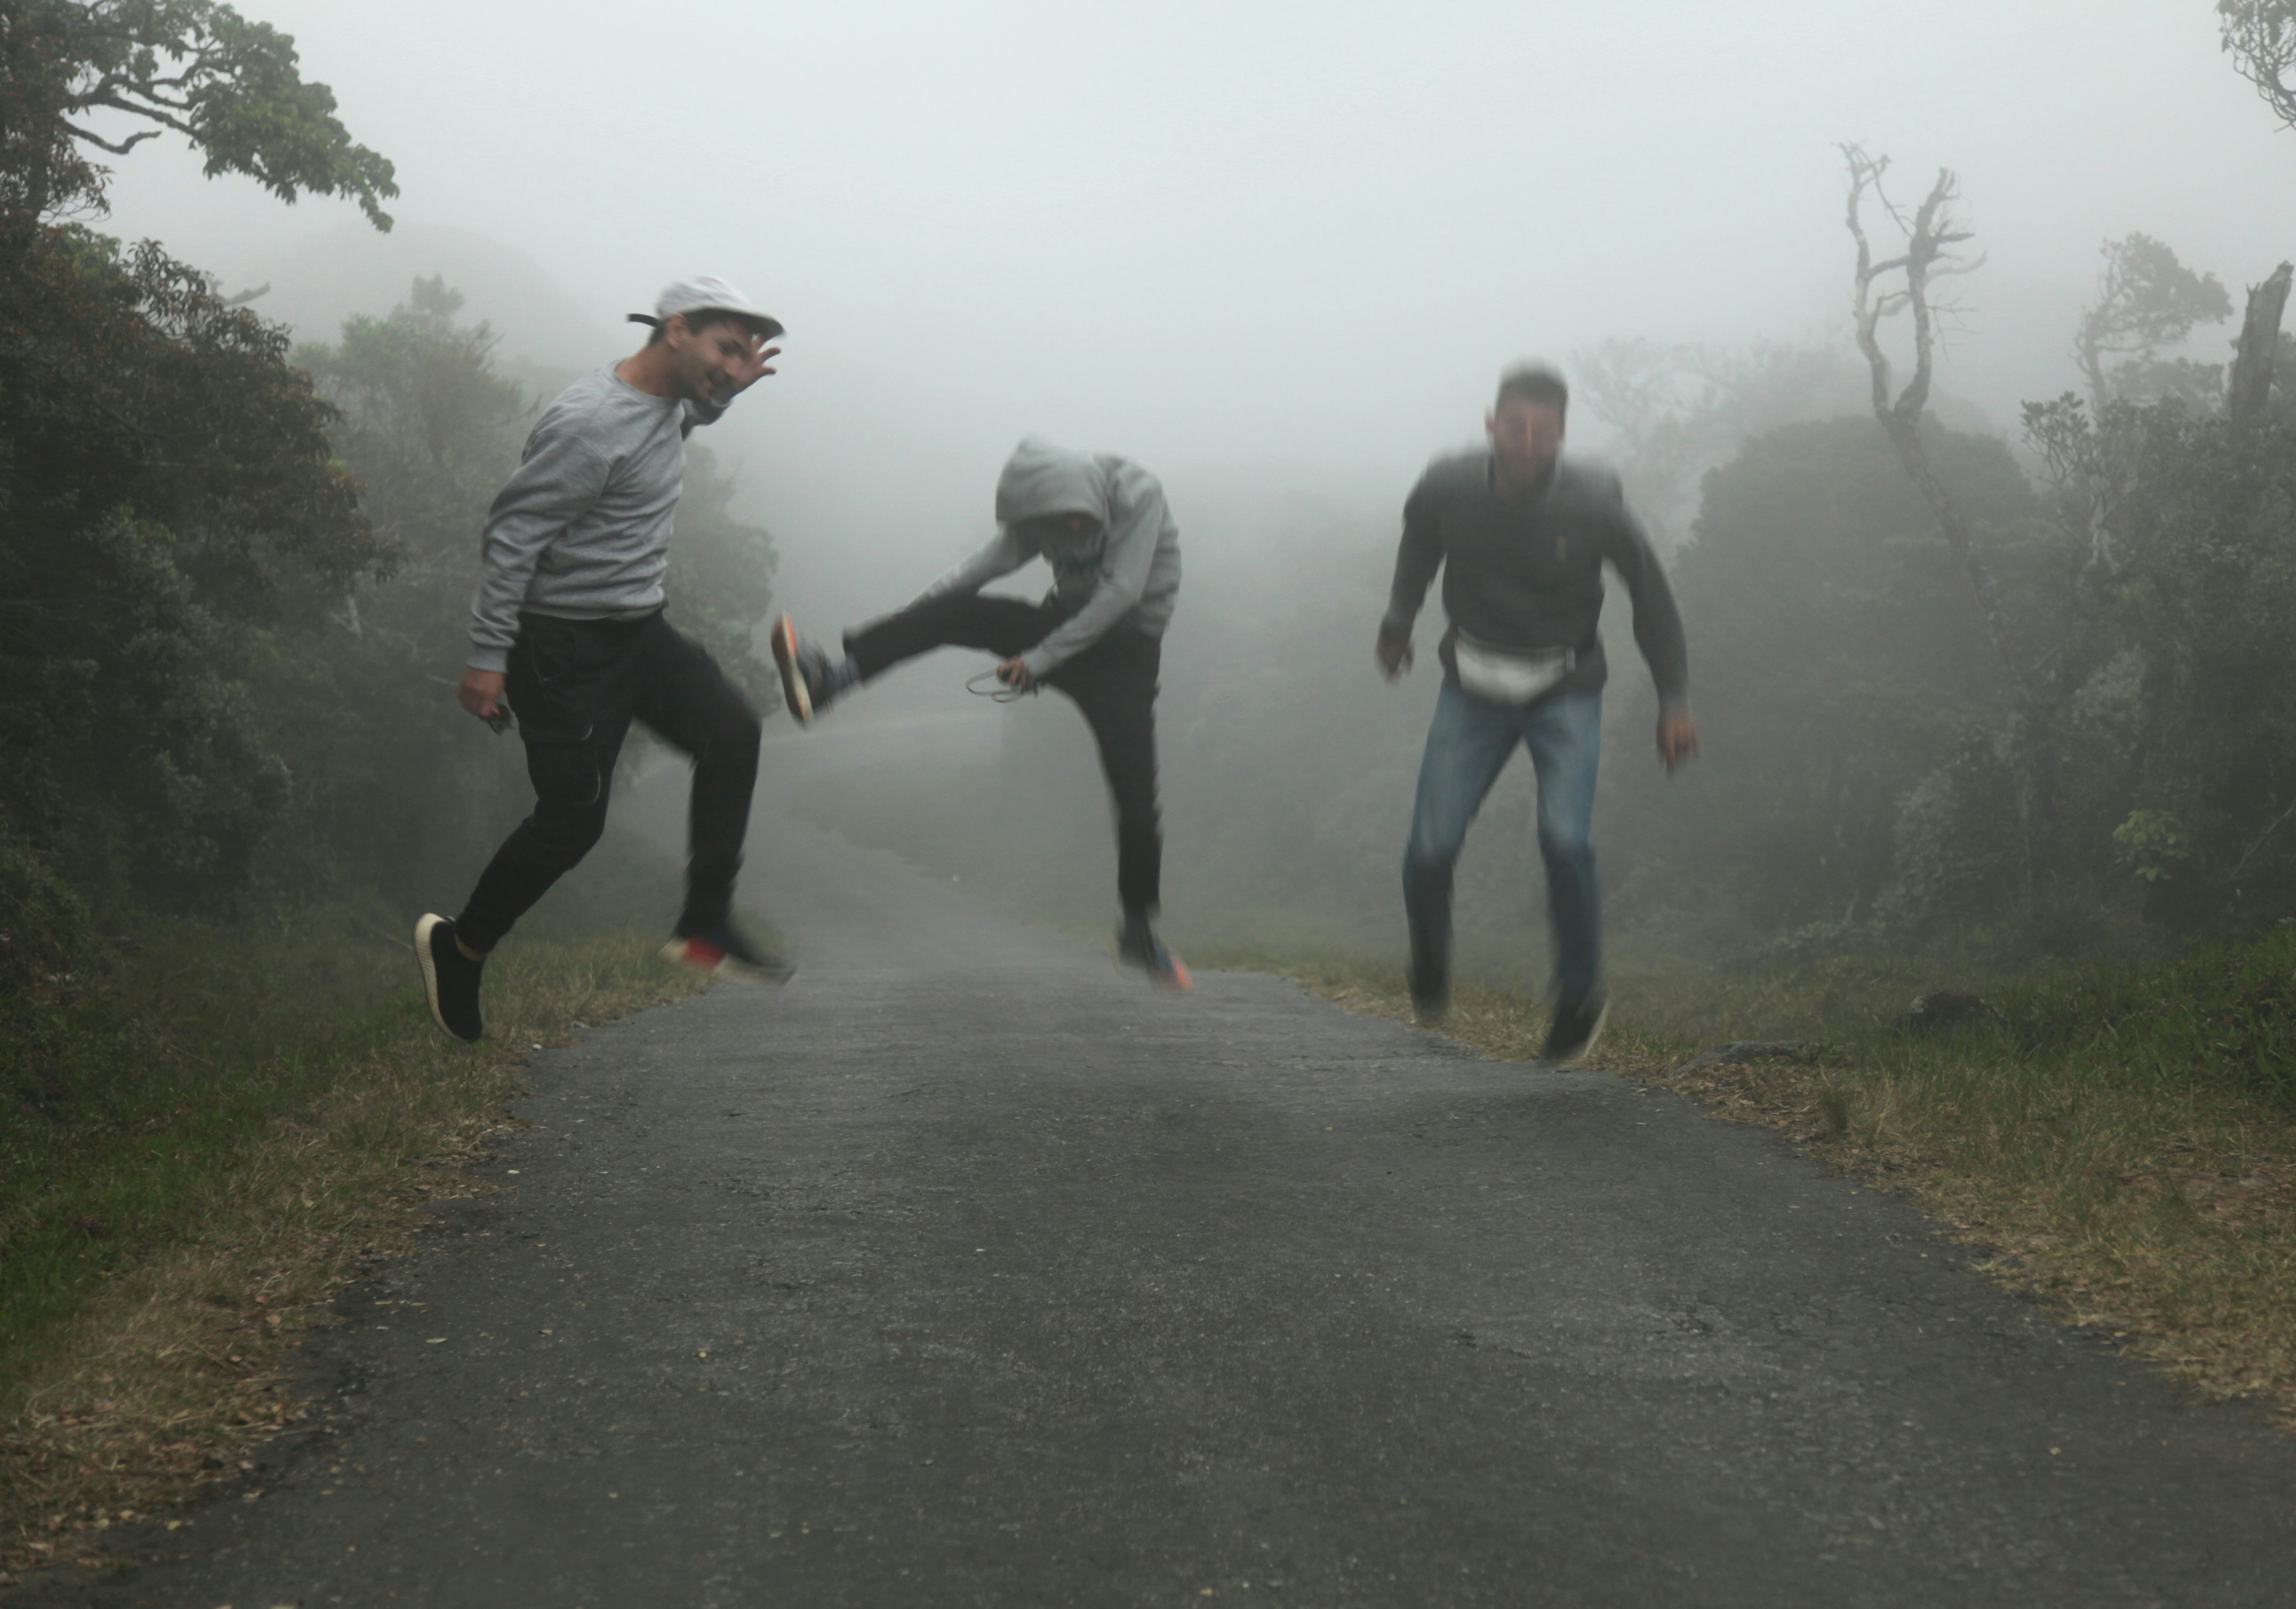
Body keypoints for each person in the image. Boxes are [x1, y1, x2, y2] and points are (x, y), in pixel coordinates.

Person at [416, 276, 787, 1044]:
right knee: (572, 824)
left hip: (637, 631)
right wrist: (488, 658)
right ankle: (461, 946)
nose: (732, 365)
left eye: (744, 355)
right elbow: (513, 537)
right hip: (562, 647)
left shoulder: (666, 404)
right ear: (675, 330)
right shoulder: (591, 422)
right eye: (725, 348)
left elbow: (680, 421)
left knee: (733, 734)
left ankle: (706, 922)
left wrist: (724, 396)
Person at [771, 435, 1190, 991]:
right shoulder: (1033, 524)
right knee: (957, 611)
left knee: (1137, 799)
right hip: (1062, 625)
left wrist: (1041, 659)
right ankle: (830, 680)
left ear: (1088, 497)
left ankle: (1137, 931)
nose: (1068, 535)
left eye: (1075, 522)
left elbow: (1122, 593)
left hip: (1126, 654)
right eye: (1055, 526)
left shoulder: (1137, 493)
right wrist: (913, 619)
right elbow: (966, 576)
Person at [1377, 363, 1697, 1061]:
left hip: (1565, 687)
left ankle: (1579, 996)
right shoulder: (1449, 485)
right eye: (1515, 428)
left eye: (1543, 433)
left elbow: (1651, 595)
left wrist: (1673, 698)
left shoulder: (1593, 503)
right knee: (1429, 847)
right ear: (1491, 425)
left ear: (1561, 436)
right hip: (1473, 685)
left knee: (1565, 841)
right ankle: (1430, 959)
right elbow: (1419, 546)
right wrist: (1398, 622)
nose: (1527, 443)